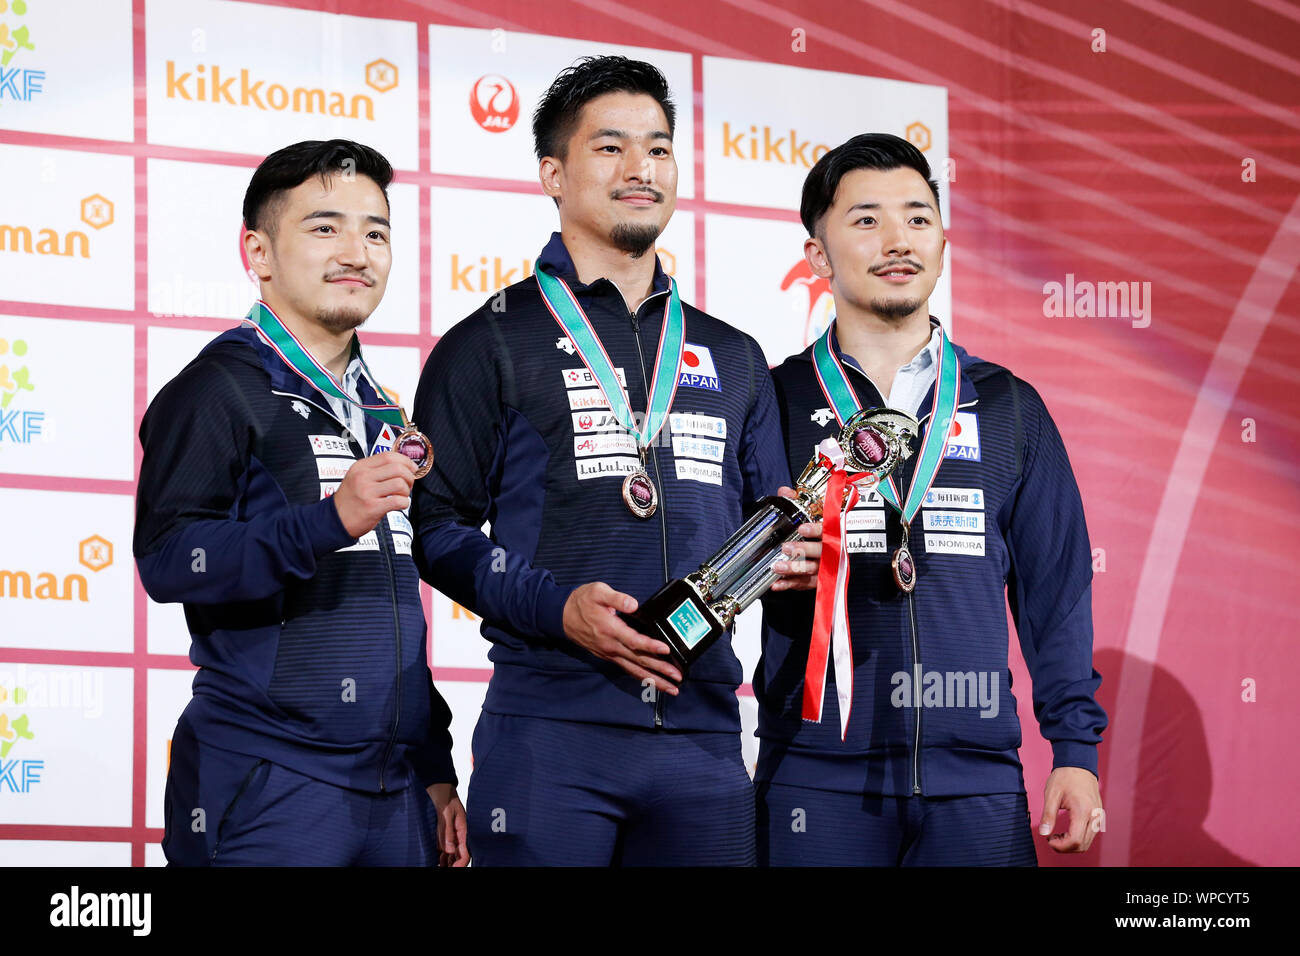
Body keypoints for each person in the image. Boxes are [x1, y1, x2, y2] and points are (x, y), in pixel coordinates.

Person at [411, 56, 815, 866]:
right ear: (552, 174)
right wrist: (556, 608)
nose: (641, 169)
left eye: (659, 149)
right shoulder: (487, 341)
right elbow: (437, 529)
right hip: (550, 736)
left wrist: (788, 557)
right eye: (611, 148)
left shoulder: (733, 356)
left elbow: (765, 527)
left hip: (703, 742)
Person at [754, 133, 1108, 866]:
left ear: (943, 242)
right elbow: (718, 562)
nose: (897, 241)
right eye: (866, 220)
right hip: (815, 782)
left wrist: (1073, 748)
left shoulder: (1008, 406)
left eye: (918, 218)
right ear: (816, 254)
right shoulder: (772, 400)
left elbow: (1058, 591)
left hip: (977, 787)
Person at [136, 139, 468, 866]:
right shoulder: (218, 387)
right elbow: (167, 561)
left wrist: (435, 766)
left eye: (375, 231)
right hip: (270, 779)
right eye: (325, 227)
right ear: (258, 251)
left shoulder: (383, 411)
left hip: (396, 792)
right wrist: (327, 521)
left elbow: (389, 605)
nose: (357, 249)